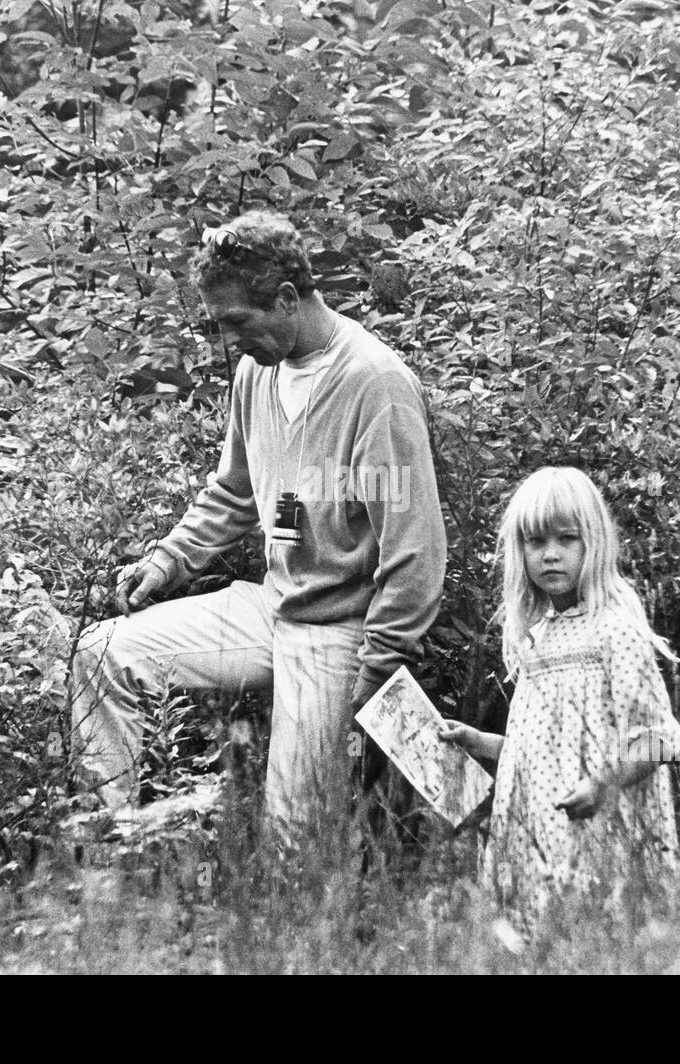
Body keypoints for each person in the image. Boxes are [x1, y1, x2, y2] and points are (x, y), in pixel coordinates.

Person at [70, 210, 447, 842]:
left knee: (294, 840)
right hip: (271, 607)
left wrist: (379, 667)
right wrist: (167, 561)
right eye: (219, 325)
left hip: (341, 631)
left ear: (288, 298)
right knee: (101, 655)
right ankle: (112, 851)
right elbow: (235, 492)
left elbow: (416, 552)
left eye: (238, 322)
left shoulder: (375, 385)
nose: (229, 341)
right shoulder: (256, 373)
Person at [439, 466, 680, 931]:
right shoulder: (537, 638)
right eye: (535, 542)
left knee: (600, 937)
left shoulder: (615, 630)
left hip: (600, 827)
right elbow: (535, 749)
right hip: (539, 833)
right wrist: (478, 742)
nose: (550, 554)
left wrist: (604, 784)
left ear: (594, 543)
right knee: (540, 944)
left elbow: (660, 740)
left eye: (566, 539)